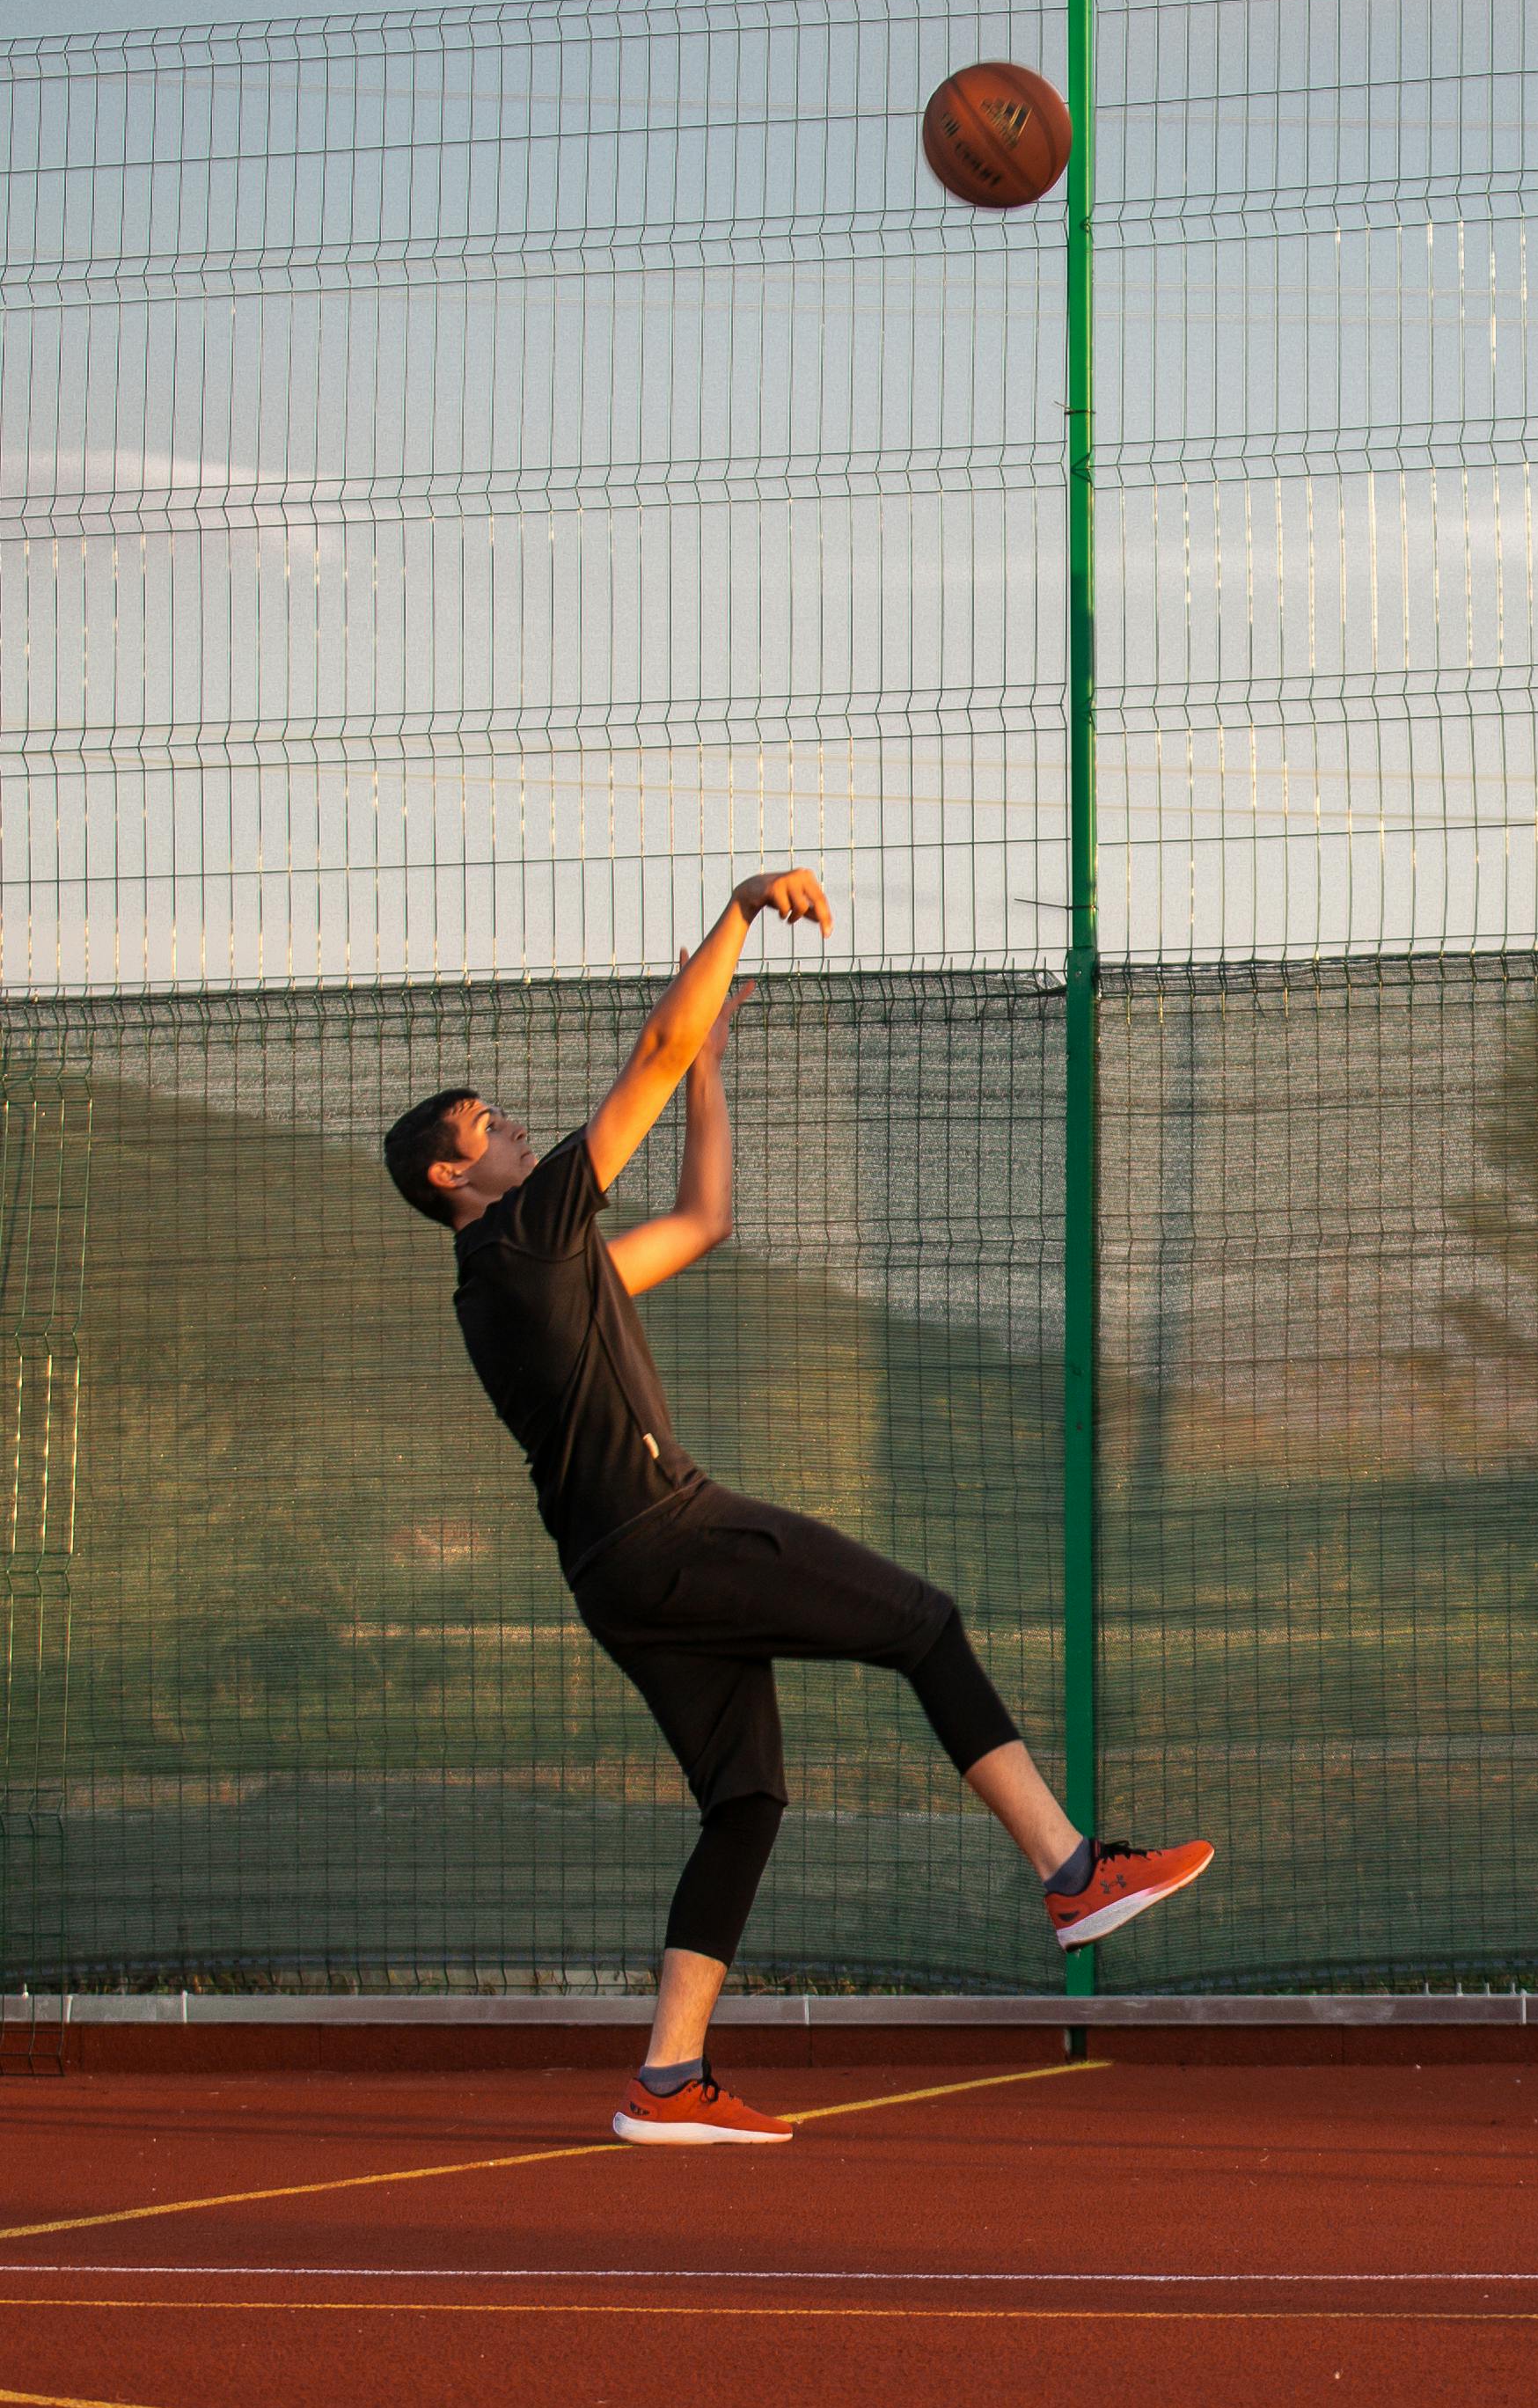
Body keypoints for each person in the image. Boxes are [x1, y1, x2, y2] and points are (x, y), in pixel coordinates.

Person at [384, 865, 1211, 2145]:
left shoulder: (539, 1272)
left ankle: (667, 2077)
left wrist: (711, 1055)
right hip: (667, 1534)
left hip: (619, 1577)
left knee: (747, 1800)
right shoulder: (515, 1241)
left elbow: (705, 1218)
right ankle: (1069, 1871)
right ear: (453, 1177)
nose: (511, 1128)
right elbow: (651, 1050)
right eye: (486, 1125)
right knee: (924, 1624)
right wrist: (735, 908)